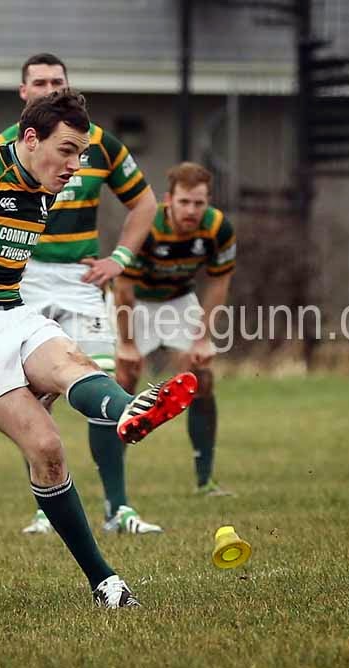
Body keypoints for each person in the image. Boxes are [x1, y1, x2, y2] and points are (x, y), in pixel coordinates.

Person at [0, 89, 198, 608]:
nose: (75, 165)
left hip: (12, 310)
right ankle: (103, 578)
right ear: (30, 138)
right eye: (66, 150)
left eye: (82, 154)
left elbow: (137, 204)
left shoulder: (47, 189)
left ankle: (128, 409)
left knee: (72, 363)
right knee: (46, 450)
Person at [0, 53, 163, 536]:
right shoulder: (5, 149)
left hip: (81, 282)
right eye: (39, 82)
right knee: (32, 400)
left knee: (101, 380)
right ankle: (48, 505)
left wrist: (121, 259)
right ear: (23, 93)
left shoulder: (98, 144)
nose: (48, 88)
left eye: (57, 81)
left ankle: (118, 509)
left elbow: (145, 202)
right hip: (22, 280)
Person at [114, 162, 236, 496]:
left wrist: (203, 336)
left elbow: (219, 283)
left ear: (208, 201)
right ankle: (114, 484)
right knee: (124, 380)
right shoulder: (147, 228)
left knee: (202, 378)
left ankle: (204, 480)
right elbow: (122, 289)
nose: (192, 210)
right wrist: (127, 344)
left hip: (179, 301)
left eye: (199, 203)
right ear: (169, 199)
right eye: (184, 202)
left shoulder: (218, 229)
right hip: (135, 302)